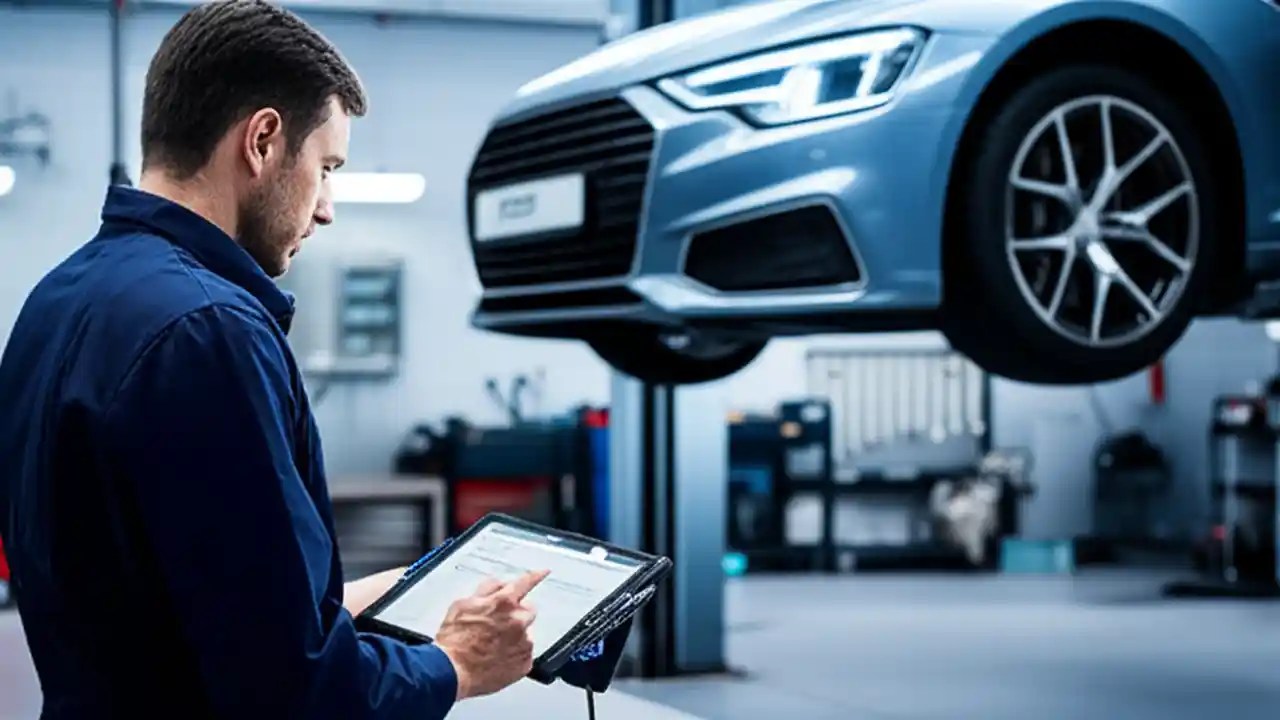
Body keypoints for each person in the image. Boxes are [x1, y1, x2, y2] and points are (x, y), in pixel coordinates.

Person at [0, 2, 547, 717]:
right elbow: (291, 692)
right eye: (326, 167)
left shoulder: (60, 298)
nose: (326, 208)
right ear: (261, 141)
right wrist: (456, 666)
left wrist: (381, 593)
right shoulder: (211, 330)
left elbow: (169, 609)